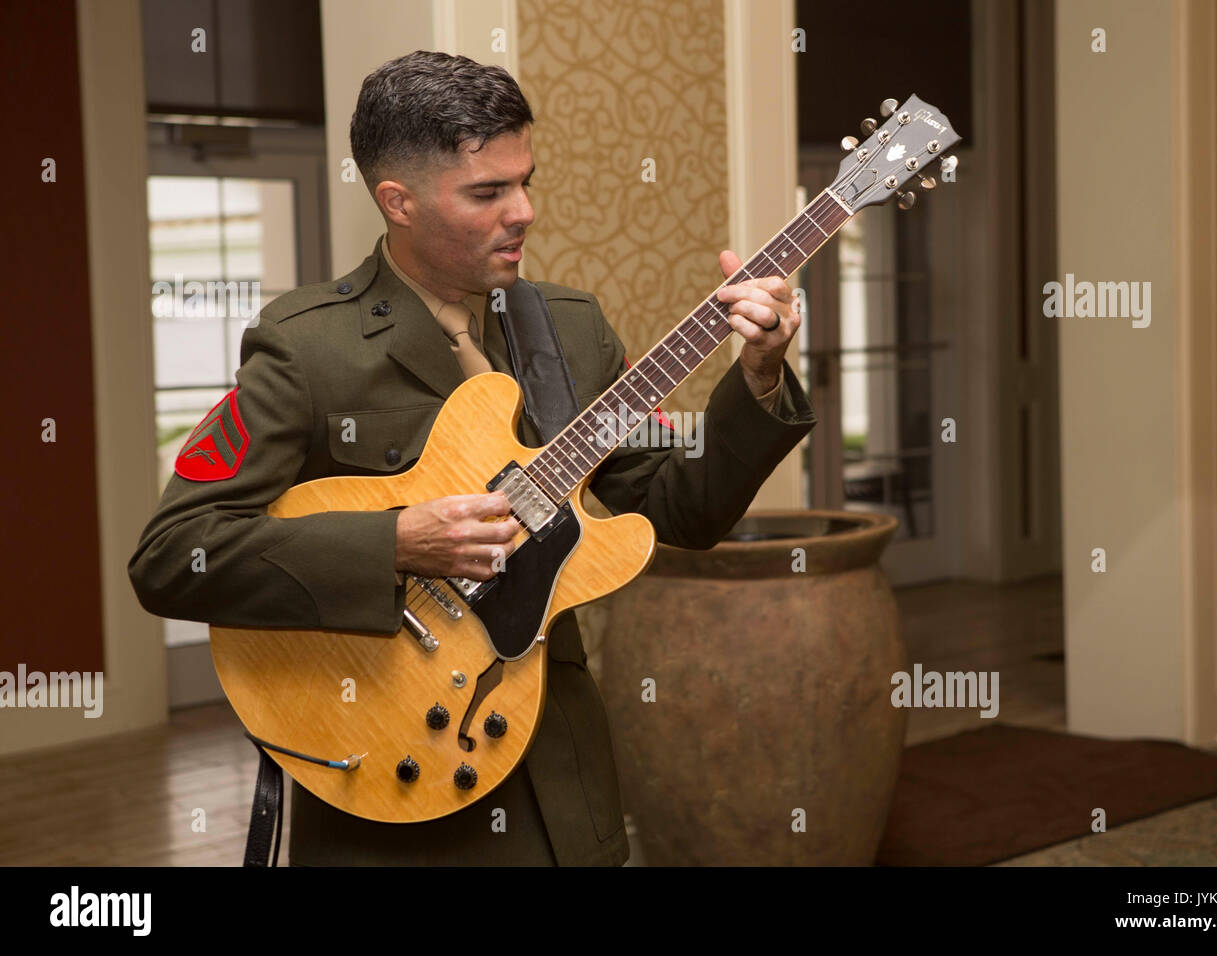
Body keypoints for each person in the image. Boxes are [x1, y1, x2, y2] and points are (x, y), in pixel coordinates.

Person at [129, 50, 816, 866]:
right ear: (399, 202)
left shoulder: (570, 328)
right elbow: (173, 557)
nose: (522, 211)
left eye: (526, 181)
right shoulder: (307, 346)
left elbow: (683, 513)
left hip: (561, 787)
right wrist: (393, 544)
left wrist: (760, 373)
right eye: (488, 192)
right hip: (390, 786)